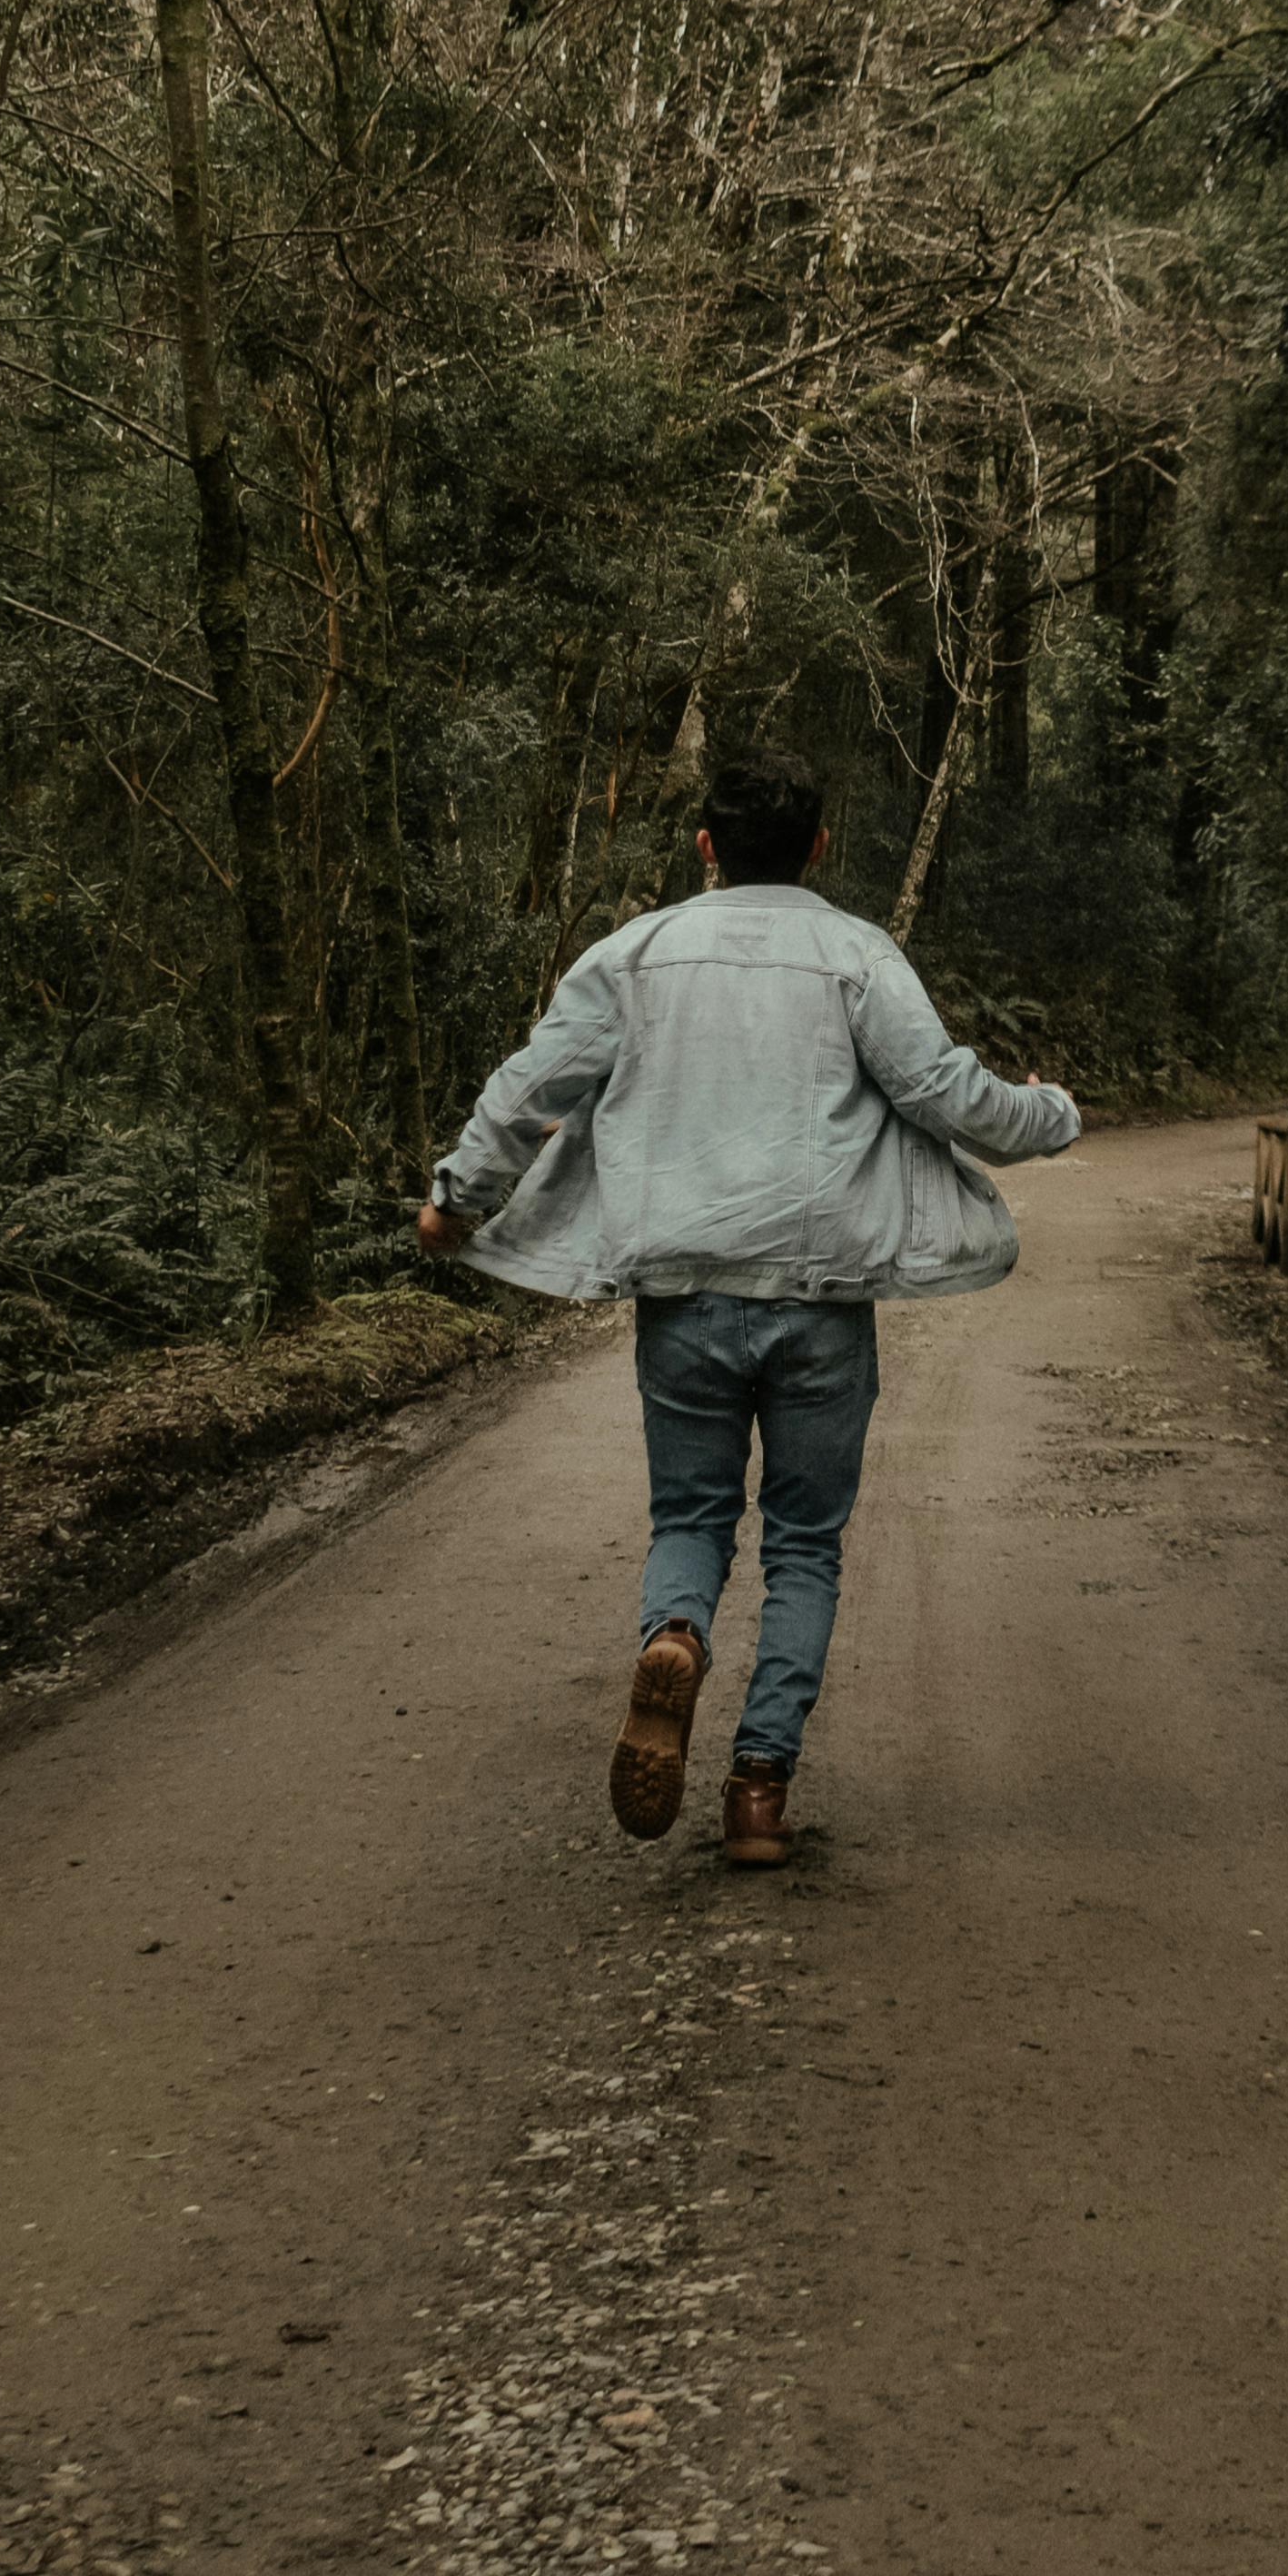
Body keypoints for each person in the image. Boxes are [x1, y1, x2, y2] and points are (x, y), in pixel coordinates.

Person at [414, 742, 1080, 1861]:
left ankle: (674, 1633)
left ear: (705, 847)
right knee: (805, 1544)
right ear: (819, 847)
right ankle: (757, 1793)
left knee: (690, 1518)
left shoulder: (634, 954)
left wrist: (455, 1198)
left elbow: (532, 1087)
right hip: (820, 1297)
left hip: (680, 1296)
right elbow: (942, 1091)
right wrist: (1050, 1112)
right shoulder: (856, 955)